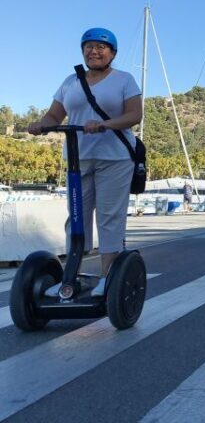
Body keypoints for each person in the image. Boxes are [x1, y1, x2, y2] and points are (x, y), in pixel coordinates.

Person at [29, 28, 143, 297]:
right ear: (83, 51)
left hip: (115, 158)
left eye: (101, 47)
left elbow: (134, 115)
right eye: (89, 46)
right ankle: (71, 277)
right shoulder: (70, 81)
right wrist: (40, 125)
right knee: (77, 218)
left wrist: (104, 124)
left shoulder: (124, 80)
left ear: (112, 53)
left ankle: (107, 277)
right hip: (78, 158)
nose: (94, 51)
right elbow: (54, 115)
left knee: (109, 217)